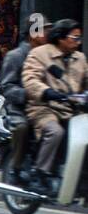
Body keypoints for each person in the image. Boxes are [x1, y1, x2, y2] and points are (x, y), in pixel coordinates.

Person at [21, 18, 87, 194]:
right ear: (61, 37)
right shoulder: (39, 54)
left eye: (79, 38)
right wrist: (46, 91)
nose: (78, 42)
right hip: (44, 108)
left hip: (72, 109)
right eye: (74, 37)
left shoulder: (80, 58)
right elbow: (30, 78)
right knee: (55, 132)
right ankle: (39, 174)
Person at [0, 14, 48, 146]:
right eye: (43, 30)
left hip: (46, 105)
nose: (46, 34)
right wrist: (29, 93)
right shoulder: (15, 56)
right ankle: (16, 163)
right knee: (22, 128)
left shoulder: (49, 55)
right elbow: (7, 86)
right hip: (19, 108)